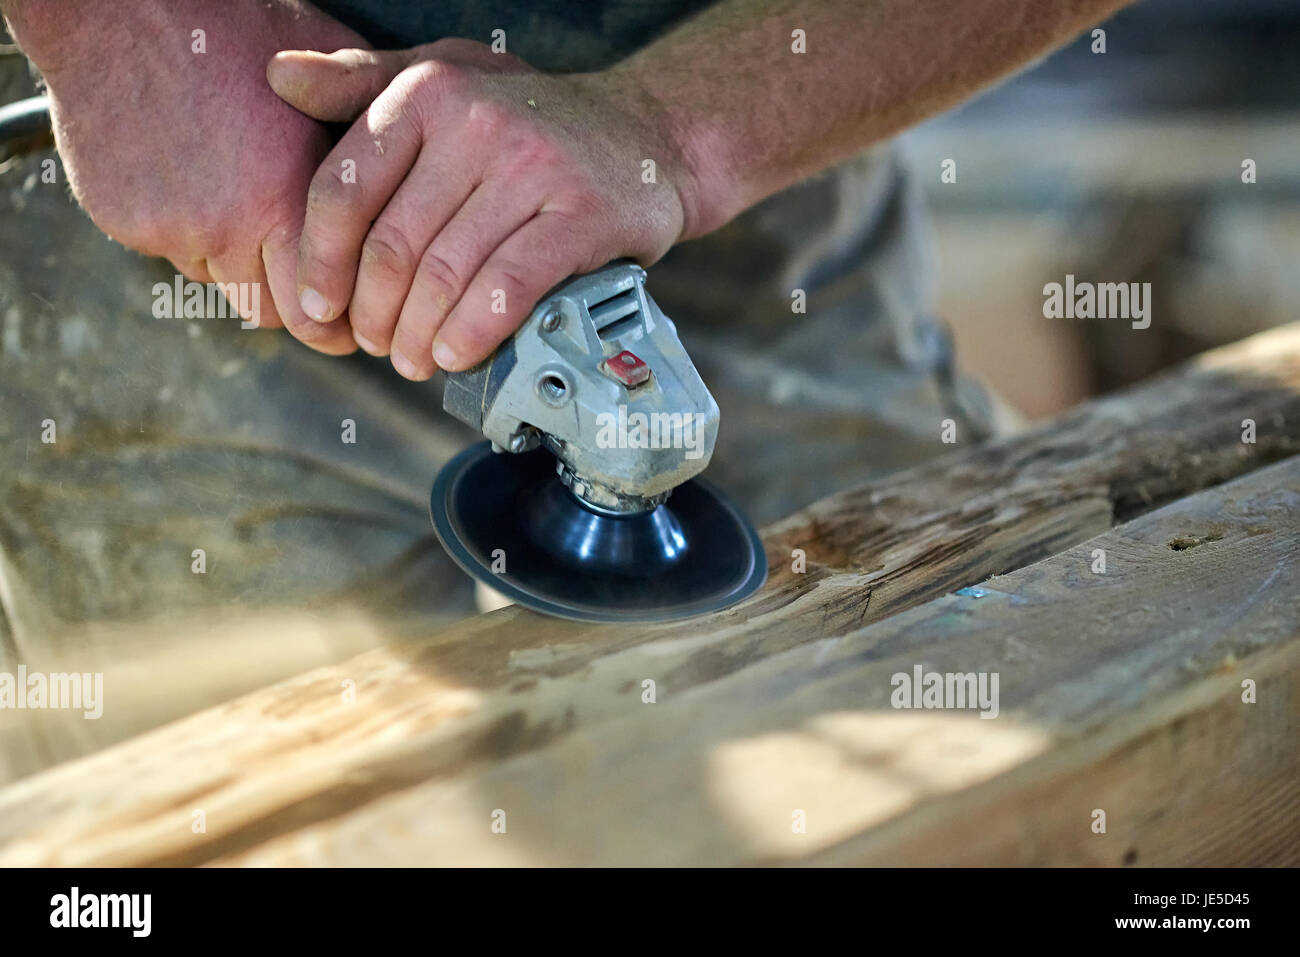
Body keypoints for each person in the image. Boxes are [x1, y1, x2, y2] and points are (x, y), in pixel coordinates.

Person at [0, 0, 1130, 779]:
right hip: (210, 138)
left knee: (963, 686)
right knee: (241, 795)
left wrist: (679, 134)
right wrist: (117, 35)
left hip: (772, 121)